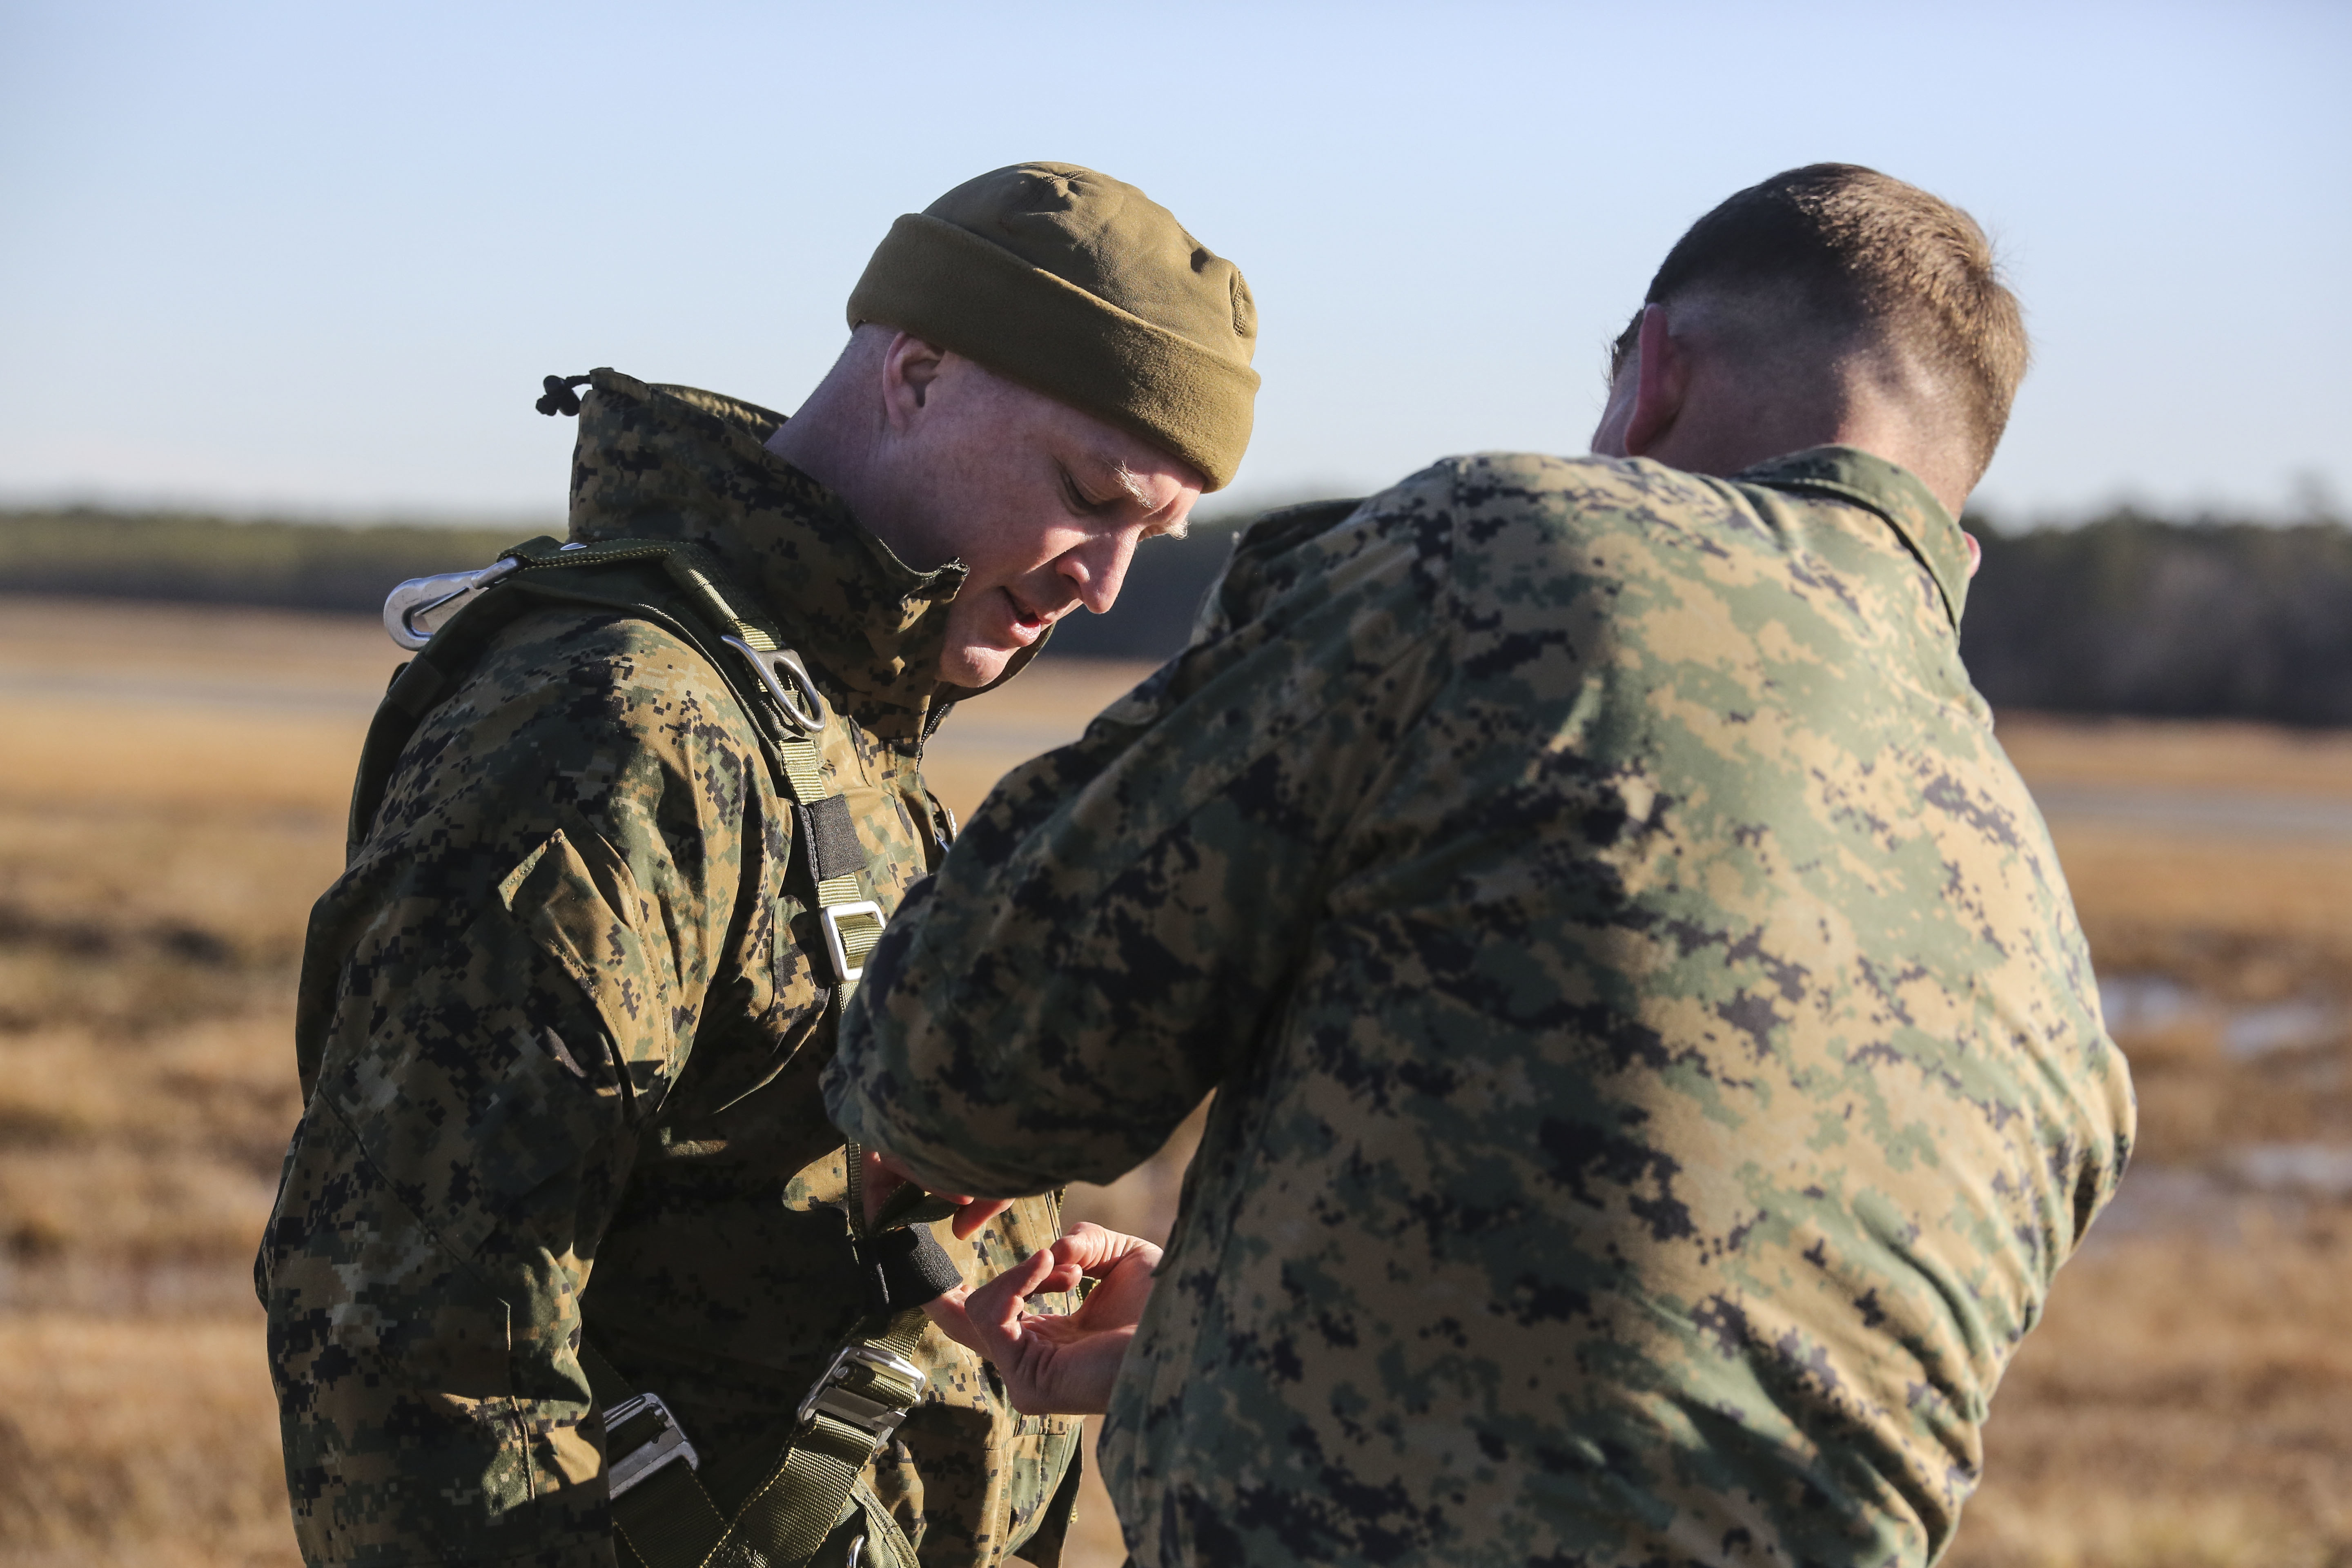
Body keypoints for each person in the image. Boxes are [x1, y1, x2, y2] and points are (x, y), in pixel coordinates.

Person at [825, 164, 2136, 1568]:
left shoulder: (1506, 560)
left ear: (1657, 379)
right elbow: (1673, 1393)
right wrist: (1228, 1328)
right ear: (1957, 537)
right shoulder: (2042, 947)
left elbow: (959, 1063)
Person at [257, 162, 1258, 1568]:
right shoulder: (620, 728)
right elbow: (411, 1342)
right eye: (1090, 495)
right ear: (916, 372)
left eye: (1152, 539)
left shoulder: (834, 717)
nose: (1102, 583)